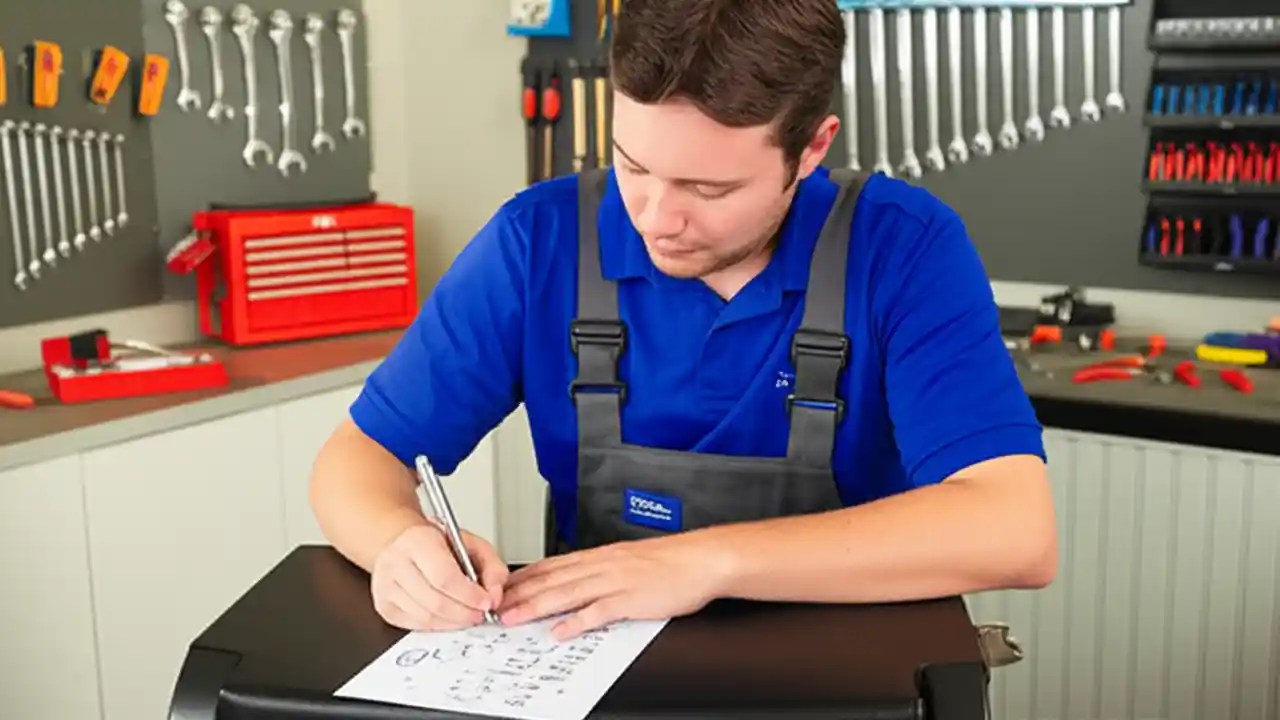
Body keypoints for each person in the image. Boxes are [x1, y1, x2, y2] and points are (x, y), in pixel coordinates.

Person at [309, 0, 1058, 642]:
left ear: (812, 148)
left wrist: (704, 562)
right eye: (633, 166)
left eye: (708, 186)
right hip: (592, 677)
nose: (655, 219)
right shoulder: (538, 244)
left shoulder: (905, 250)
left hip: (843, 683)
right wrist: (398, 543)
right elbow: (357, 460)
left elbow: (1014, 531)